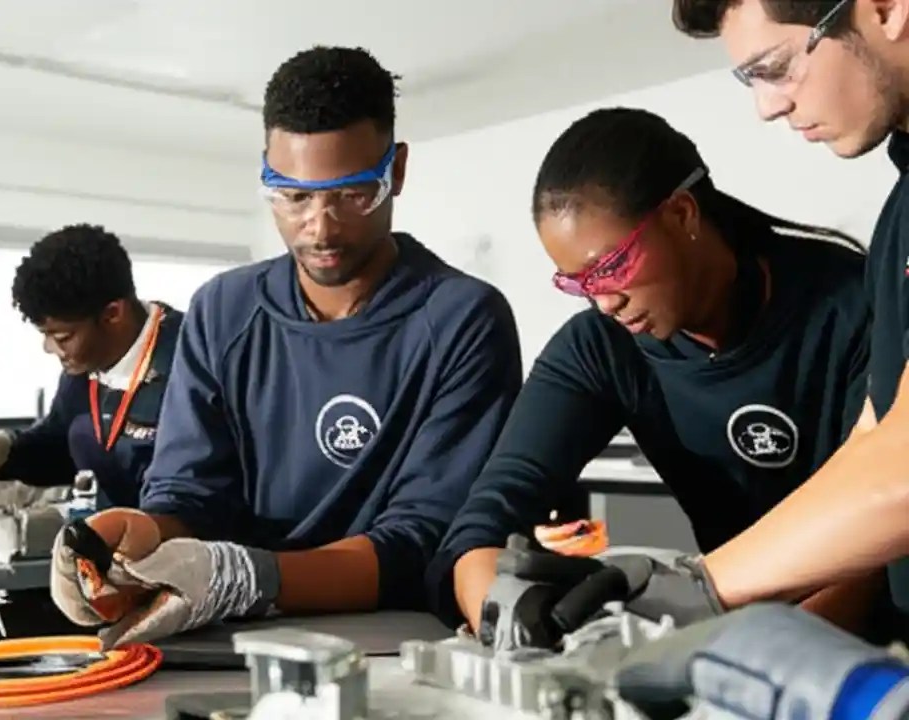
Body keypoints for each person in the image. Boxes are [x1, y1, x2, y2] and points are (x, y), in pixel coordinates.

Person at [48, 45, 523, 648]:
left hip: (393, 643)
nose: (320, 227)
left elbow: (423, 542)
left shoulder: (462, 320)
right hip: (235, 639)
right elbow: (191, 498)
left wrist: (255, 578)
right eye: (293, 196)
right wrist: (138, 536)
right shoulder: (223, 310)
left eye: (353, 194)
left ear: (397, 170)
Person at [432, 106, 875, 644]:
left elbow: (876, 545)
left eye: (611, 267)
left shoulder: (855, 306)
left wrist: (743, 660)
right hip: (733, 626)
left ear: (682, 214)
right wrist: (504, 618)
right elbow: (486, 519)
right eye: (578, 283)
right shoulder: (602, 346)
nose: (604, 301)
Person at [541, 0, 909, 639]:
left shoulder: (844, 292)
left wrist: (698, 592)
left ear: (885, 7)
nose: (768, 106)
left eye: (778, 67)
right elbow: (873, 447)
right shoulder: (898, 222)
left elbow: (900, 473)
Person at [0, 223, 185, 509]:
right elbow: (58, 446)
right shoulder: (86, 364)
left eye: (62, 337)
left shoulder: (193, 359)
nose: (49, 348)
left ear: (112, 314)